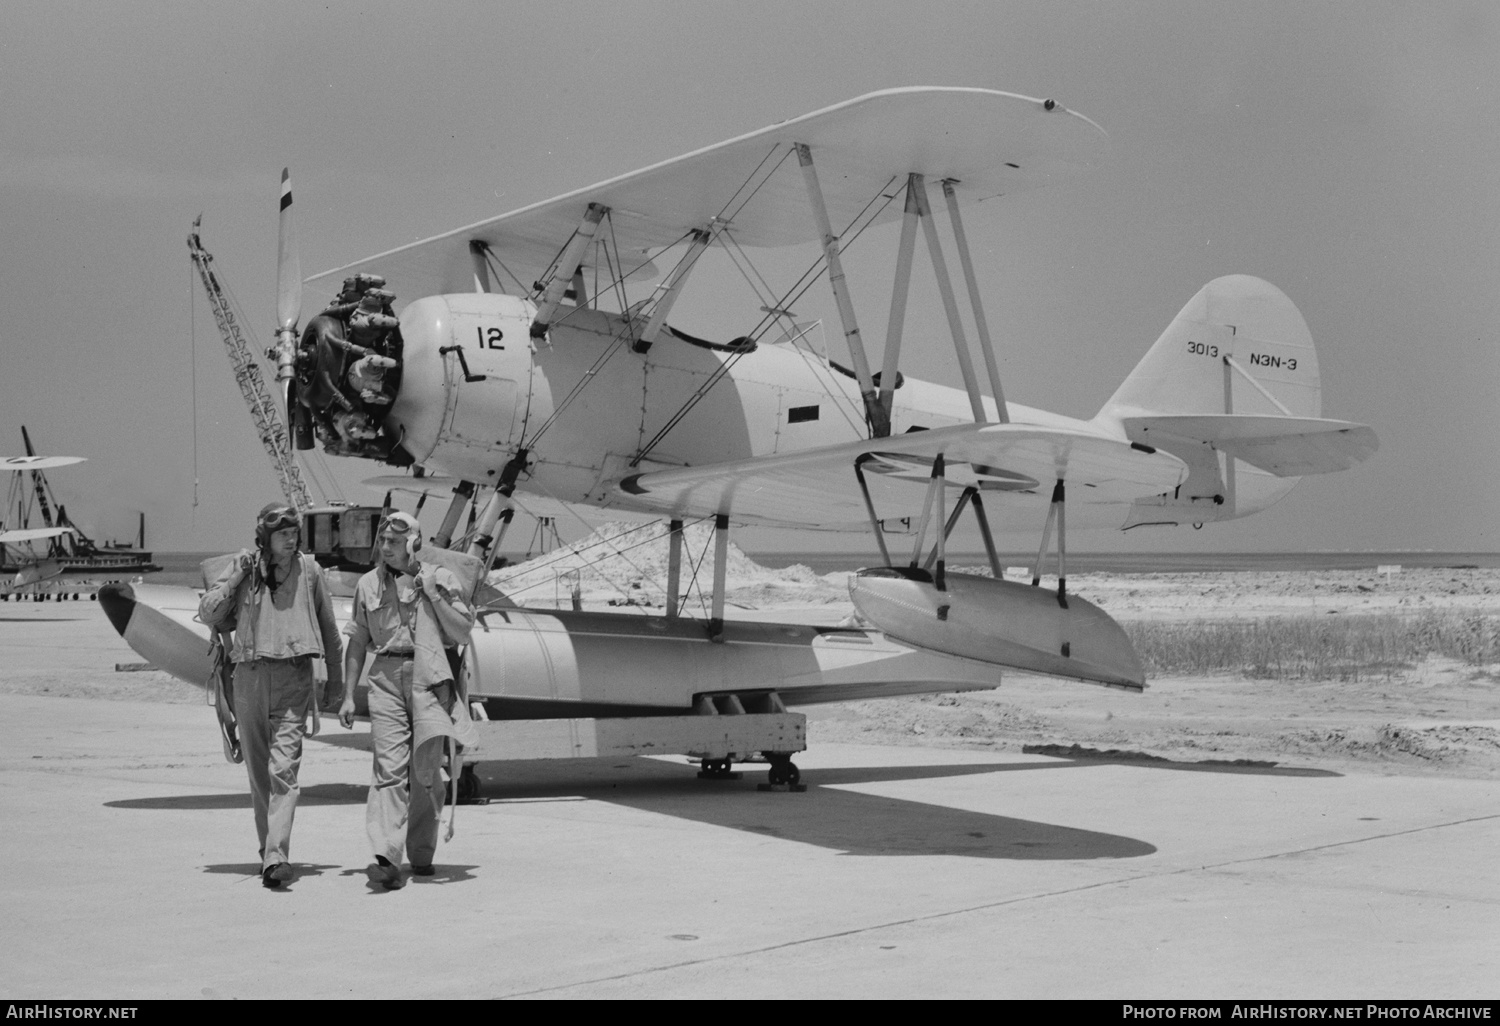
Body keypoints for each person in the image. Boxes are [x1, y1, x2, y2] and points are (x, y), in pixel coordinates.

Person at [199, 503, 344, 889]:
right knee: (259, 772)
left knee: (284, 771)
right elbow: (209, 614)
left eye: (294, 532)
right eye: (282, 533)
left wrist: (337, 682)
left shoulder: (310, 571)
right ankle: (269, 854)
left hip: (294, 679)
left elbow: (330, 632)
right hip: (248, 679)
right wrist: (236, 579)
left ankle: (277, 854)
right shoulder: (244, 568)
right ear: (265, 536)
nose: (291, 538)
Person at [339, 511, 474, 890]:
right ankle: (386, 854)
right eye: (382, 541)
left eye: (394, 543)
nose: (385, 548)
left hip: (429, 680)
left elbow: (462, 631)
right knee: (388, 769)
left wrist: (430, 591)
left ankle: (421, 851)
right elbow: (357, 640)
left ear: (414, 543)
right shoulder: (368, 585)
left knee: (425, 772)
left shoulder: (441, 579)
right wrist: (349, 695)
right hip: (385, 677)